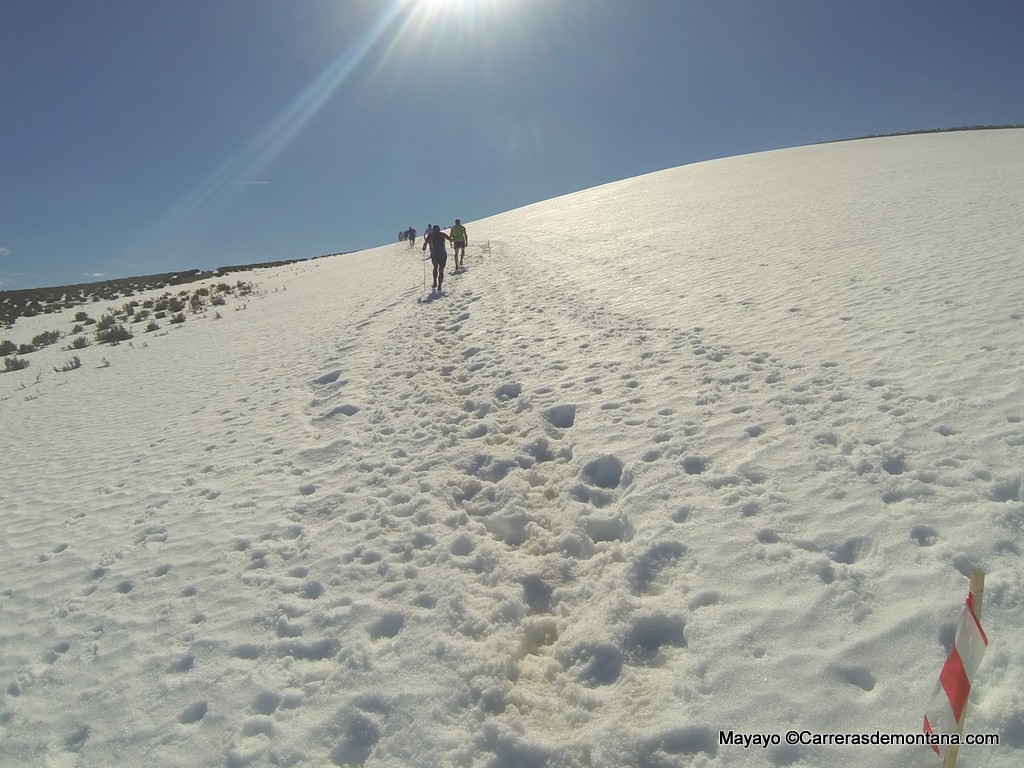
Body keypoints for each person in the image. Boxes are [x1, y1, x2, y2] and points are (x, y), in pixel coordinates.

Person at [422, 224, 453, 292]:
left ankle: (435, 282)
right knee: (441, 269)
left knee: (435, 267)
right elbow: (451, 240)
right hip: (442, 253)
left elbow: (425, 244)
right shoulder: (442, 234)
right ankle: (439, 286)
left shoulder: (430, 235)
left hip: (434, 253)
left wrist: (424, 248)